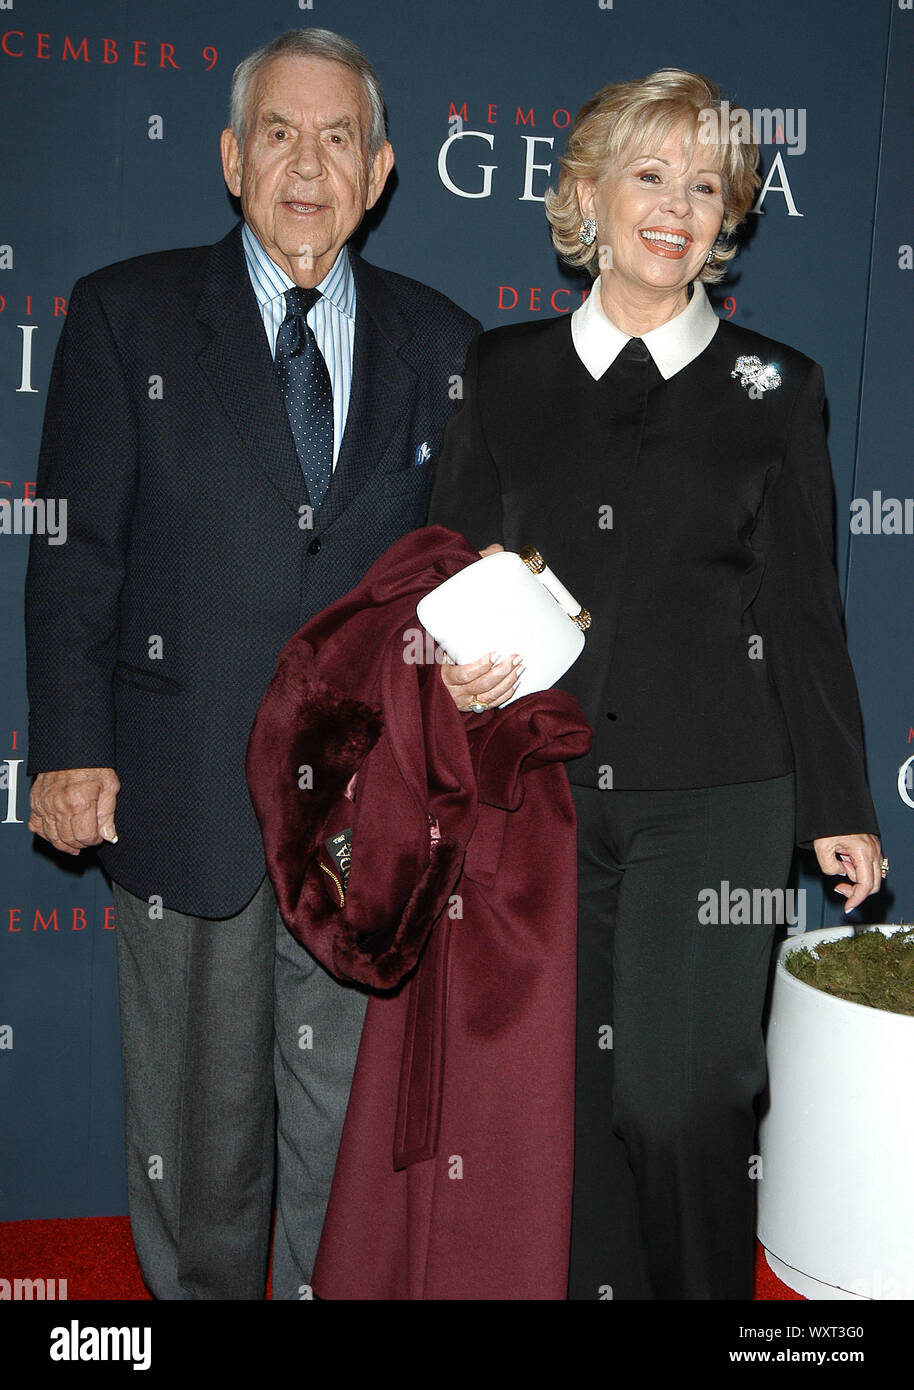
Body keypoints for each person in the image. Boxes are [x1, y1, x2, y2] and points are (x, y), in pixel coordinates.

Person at [25, 27, 478, 1300]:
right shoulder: (127, 314)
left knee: (341, 1133)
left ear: (381, 172)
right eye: (278, 132)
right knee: (197, 1136)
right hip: (184, 789)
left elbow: (453, 573)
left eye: (338, 138)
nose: (306, 164)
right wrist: (68, 744)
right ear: (229, 158)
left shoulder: (444, 347)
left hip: (361, 819)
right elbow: (75, 554)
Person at [429, 68, 886, 1300]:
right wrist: (445, 672)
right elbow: (438, 570)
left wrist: (838, 801)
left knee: (680, 1100)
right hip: (541, 797)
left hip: (720, 794)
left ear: (729, 216)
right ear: (584, 194)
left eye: (705, 185)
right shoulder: (502, 369)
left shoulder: (773, 389)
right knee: (570, 1103)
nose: (675, 205)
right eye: (648, 174)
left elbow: (802, 612)